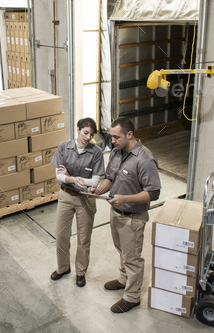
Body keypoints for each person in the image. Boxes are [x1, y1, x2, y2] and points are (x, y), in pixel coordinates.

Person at [89, 117, 161, 313]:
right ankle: (123, 279)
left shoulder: (144, 159)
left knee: (132, 257)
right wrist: (99, 190)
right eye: (111, 136)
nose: (112, 140)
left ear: (129, 134)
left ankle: (132, 297)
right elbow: (110, 178)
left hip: (133, 218)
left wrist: (125, 198)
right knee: (122, 250)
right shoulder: (116, 153)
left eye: (116, 137)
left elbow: (153, 192)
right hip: (116, 212)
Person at [50, 118, 105, 287]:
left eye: (91, 134)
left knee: (84, 237)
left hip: (85, 199)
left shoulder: (96, 152)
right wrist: (72, 179)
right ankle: (63, 267)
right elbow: (58, 176)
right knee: (61, 235)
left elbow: (95, 181)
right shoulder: (63, 147)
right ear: (78, 130)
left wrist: (70, 178)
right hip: (65, 197)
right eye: (85, 133)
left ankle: (80, 271)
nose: (88, 137)